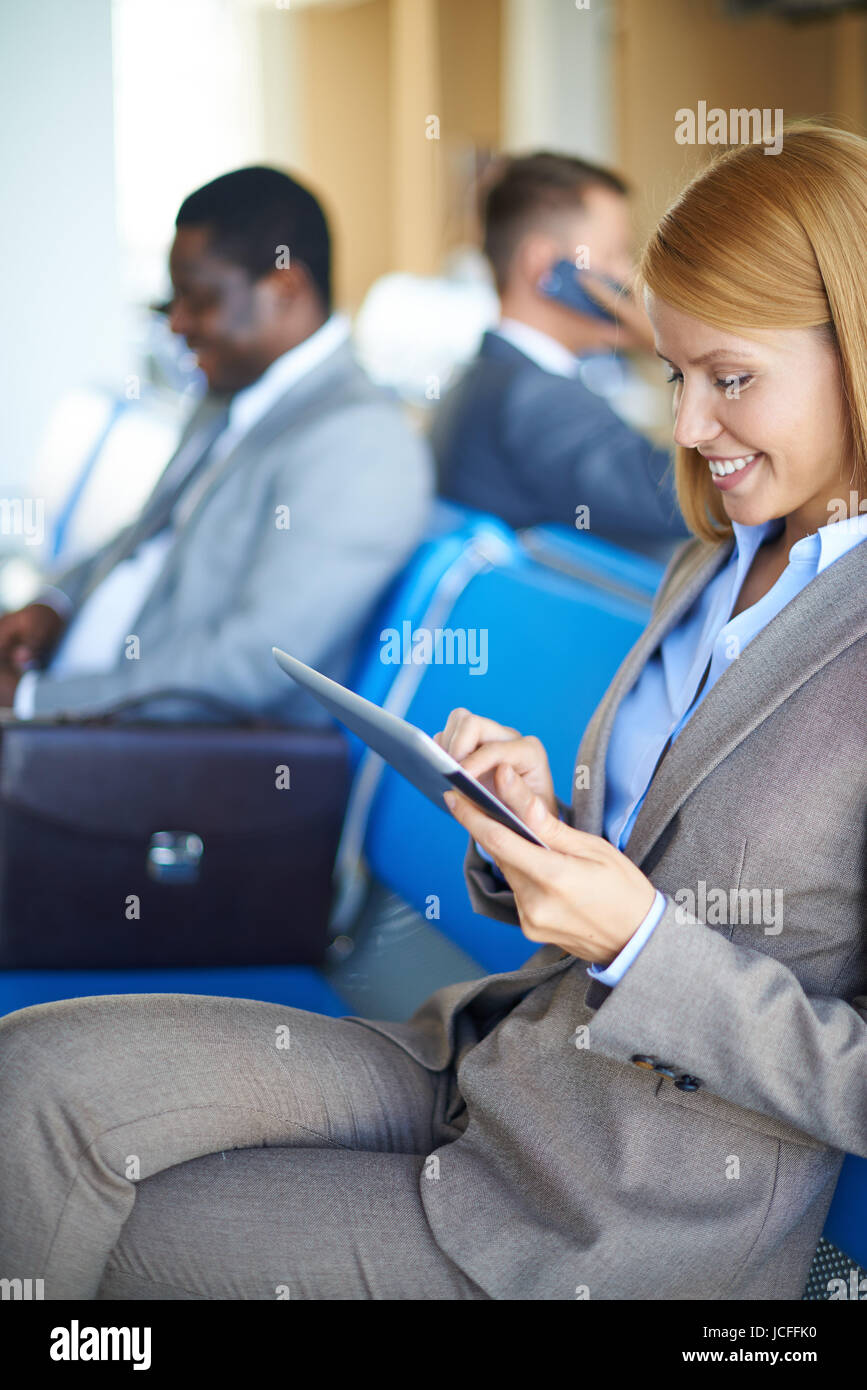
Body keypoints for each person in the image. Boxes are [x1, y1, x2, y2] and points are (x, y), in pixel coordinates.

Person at [0, 123, 864, 1301]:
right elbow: (642, 864)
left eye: (732, 379)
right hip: (489, 1059)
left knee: (120, 1233)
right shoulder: (718, 558)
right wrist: (534, 827)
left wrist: (641, 941)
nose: (691, 427)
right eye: (676, 376)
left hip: (618, 1214)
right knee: (32, 1082)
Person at [0, 167, 432, 723]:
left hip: (166, 751)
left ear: (285, 288)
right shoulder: (228, 393)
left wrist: (34, 703)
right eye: (171, 301)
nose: (177, 324)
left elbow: (255, 662)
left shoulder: (363, 441)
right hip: (70, 701)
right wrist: (54, 604)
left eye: (198, 299)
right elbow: (141, 538)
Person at [432, 151, 689, 558]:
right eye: (614, 255)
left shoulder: (483, 377)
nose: (628, 277)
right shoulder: (537, 398)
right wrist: (677, 347)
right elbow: (690, 499)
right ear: (545, 268)